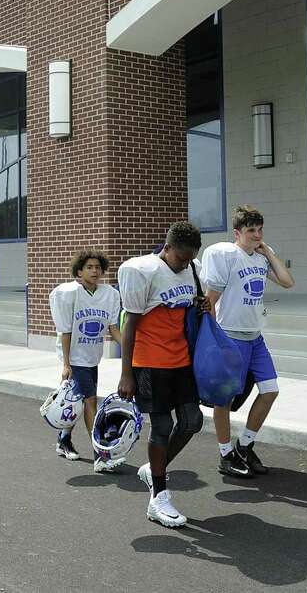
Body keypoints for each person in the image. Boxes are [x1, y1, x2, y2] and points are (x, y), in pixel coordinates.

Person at [117, 221, 205, 528]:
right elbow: (130, 324)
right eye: (180, 257)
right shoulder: (143, 270)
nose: (184, 263)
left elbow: (190, 309)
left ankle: (154, 468)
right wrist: (126, 372)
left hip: (181, 359)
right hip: (149, 362)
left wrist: (201, 304)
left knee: (192, 421)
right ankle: (159, 496)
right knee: (163, 426)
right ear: (166, 248)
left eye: (189, 259)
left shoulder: (192, 270)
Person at [201, 205, 294, 478]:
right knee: (225, 400)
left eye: (260, 230)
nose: (256, 235)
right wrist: (213, 341)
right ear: (237, 233)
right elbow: (210, 302)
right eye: (251, 230)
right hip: (231, 337)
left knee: (270, 390)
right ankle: (225, 454)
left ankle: (244, 445)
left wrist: (268, 252)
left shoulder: (261, 258)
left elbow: (287, 282)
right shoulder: (227, 256)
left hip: (255, 338)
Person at [48, 250, 122, 472]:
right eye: (89, 267)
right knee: (90, 401)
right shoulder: (69, 294)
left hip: (92, 357)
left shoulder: (108, 294)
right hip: (75, 358)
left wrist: (130, 350)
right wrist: (66, 364)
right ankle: (101, 455)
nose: (95, 271)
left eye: (98, 267)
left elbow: (113, 328)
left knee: (78, 404)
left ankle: (64, 440)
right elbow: (65, 331)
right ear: (79, 271)